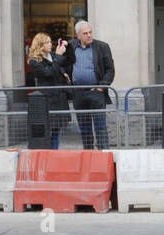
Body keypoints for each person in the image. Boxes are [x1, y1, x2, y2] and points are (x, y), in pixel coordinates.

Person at [60, 20, 114, 149]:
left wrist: (102, 86)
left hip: (96, 92)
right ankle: (88, 153)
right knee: (84, 127)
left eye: (90, 32)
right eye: (85, 33)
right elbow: (60, 62)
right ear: (78, 35)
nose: (89, 35)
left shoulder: (102, 47)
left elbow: (110, 69)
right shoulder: (71, 47)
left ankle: (102, 154)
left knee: (100, 126)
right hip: (78, 93)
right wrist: (65, 75)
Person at [27, 32, 70, 149]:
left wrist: (63, 73)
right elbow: (48, 73)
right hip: (47, 100)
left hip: (59, 98)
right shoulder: (34, 61)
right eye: (47, 42)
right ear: (40, 45)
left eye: (50, 42)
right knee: (46, 132)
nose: (50, 44)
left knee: (57, 131)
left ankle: (54, 154)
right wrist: (58, 58)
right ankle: (47, 155)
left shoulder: (53, 55)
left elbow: (59, 68)